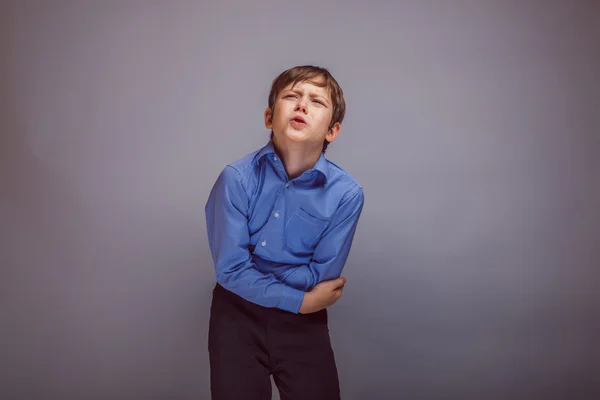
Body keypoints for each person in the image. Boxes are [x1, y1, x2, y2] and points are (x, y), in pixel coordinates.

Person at [205, 65, 364, 400]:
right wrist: (301, 301)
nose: (302, 105)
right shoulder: (236, 179)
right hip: (237, 316)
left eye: (316, 101)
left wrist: (257, 273)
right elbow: (231, 270)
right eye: (291, 96)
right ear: (268, 117)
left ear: (333, 130)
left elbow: (322, 273)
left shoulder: (346, 195)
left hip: (304, 325)